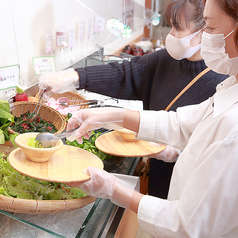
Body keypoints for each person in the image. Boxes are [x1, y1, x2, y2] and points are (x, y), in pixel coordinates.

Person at [62, 0, 238, 236]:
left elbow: (186, 226)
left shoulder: (233, 128)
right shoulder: (229, 89)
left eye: (211, 28)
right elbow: (180, 124)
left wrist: (114, 189)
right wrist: (110, 116)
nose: (206, 36)